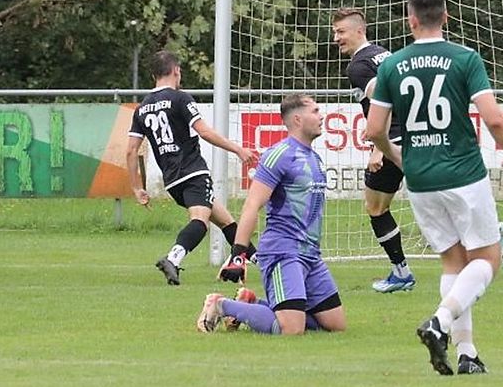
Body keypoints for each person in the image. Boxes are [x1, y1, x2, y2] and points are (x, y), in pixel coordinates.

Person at [366, 0, 503, 375]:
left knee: (453, 263)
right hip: (463, 173)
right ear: (446, 17)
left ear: (411, 20)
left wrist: (398, 154)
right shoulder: (464, 58)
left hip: (420, 178)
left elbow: (373, 130)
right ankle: (440, 321)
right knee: (488, 258)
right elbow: (494, 118)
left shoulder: (391, 65)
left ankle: (467, 354)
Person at [199, 94, 346, 335]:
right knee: (292, 330)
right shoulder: (279, 154)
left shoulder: (315, 158)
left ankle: (252, 304)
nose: (322, 116)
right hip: (283, 252)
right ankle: (222, 305)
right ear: (297, 119)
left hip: (310, 255)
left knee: (335, 326)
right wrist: (238, 255)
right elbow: (251, 205)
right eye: (316, 111)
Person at [126, 50, 258, 285]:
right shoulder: (180, 98)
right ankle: (173, 258)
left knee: (227, 222)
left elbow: (130, 150)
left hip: (173, 180)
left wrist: (137, 188)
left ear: (153, 74)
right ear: (176, 70)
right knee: (200, 221)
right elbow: (204, 132)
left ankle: (262, 262)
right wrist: (237, 149)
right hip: (193, 171)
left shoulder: (142, 108)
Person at [331, 8, 416, 293]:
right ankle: (489, 234)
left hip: (396, 140)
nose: (336, 38)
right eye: (335, 32)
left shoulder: (358, 66)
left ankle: (401, 272)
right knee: (437, 195)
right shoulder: (384, 53)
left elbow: (384, 95)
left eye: (341, 32)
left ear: (359, 31)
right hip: (416, 134)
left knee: (375, 207)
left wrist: (381, 146)